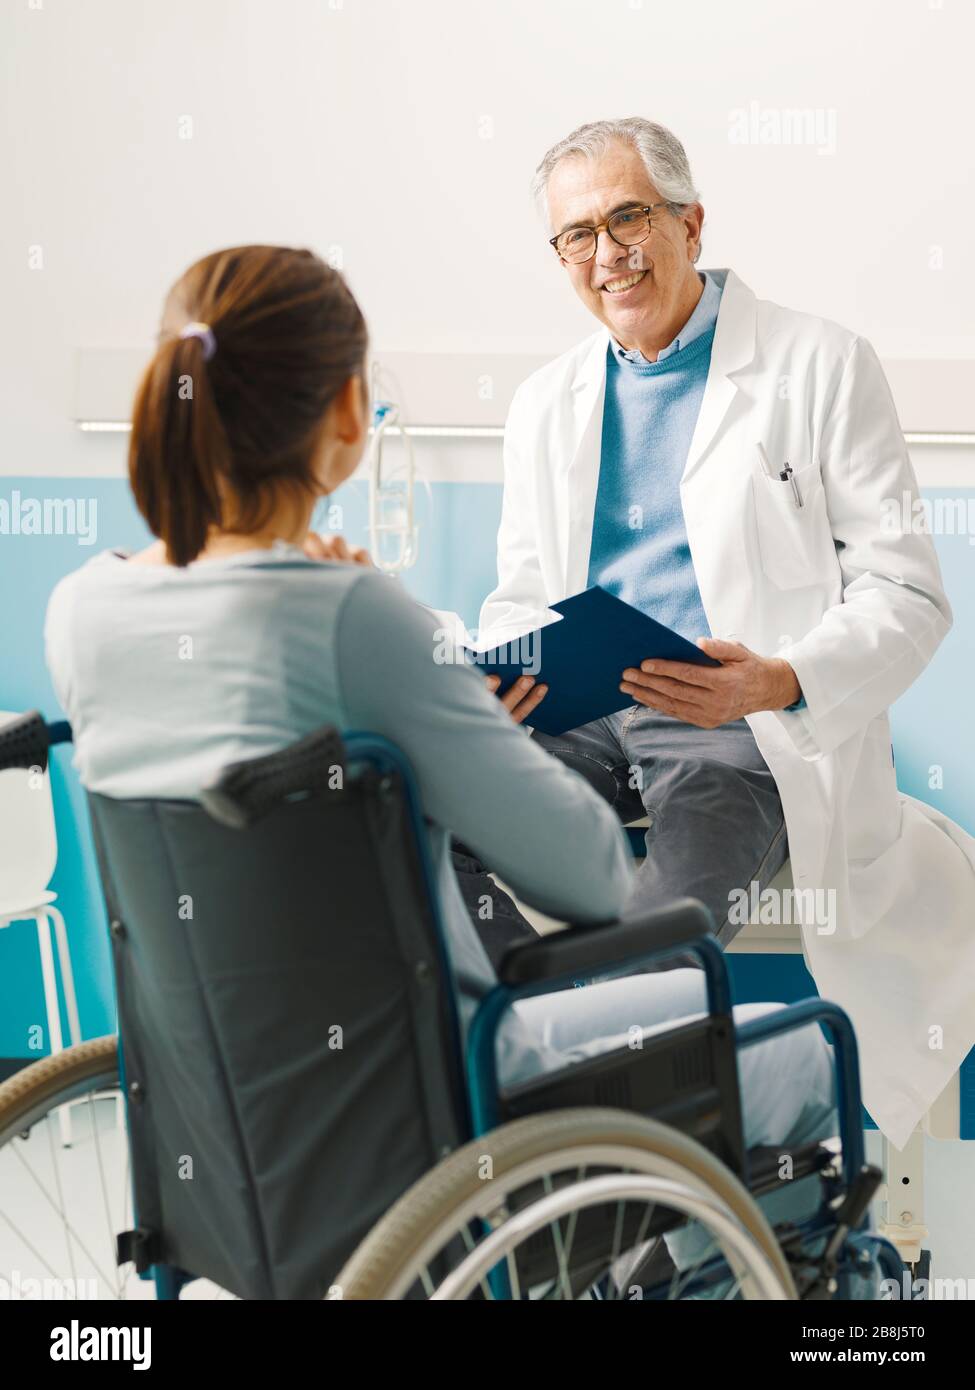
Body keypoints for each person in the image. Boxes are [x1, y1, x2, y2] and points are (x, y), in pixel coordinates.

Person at [45, 243, 842, 1290]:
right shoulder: (356, 616)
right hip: (444, 1095)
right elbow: (593, 874)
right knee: (801, 1047)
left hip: (219, 1099)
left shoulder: (81, 611)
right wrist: (442, 683)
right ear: (344, 414)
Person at [466, 116, 975, 1151]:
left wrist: (783, 679)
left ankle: (621, 1161)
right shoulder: (543, 403)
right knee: (422, 819)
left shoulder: (823, 364)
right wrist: (503, 674)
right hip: (581, 717)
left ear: (691, 223)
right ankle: (525, 1055)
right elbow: (520, 594)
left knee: (667, 914)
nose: (607, 255)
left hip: (732, 727)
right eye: (577, 236)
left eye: (629, 218)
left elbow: (910, 594)